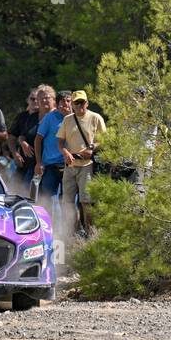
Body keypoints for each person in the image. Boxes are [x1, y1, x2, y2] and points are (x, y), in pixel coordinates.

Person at [57, 90, 107, 236]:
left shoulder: (95, 118)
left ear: (87, 103)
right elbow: (59, 141)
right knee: (68, 202)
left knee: (86, 202)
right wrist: (65, 152)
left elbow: (104, 140)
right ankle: (73, 232)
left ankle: (90, 232)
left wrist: (91, 148)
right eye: (76, 103)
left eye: (82, 102)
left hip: (87, 165)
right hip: (70, 165)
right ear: (71, 104)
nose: (79, 106)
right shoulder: (67, 120)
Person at [32, 87, 70, 210]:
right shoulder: (50, 117)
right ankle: (48, 227)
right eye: (63, 102)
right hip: (50, 166)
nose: (66, 105)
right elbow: (38, 139)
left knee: (68, 200)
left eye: (69, 102)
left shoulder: (75, 118)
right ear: (57, 104)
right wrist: (39, 162)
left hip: (70, 166)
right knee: (47, 200)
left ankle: (68, 228)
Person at [7, 88, 41, 187]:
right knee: (15, 189)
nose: (35, 101)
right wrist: (15, 154)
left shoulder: (44, 117)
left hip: (38, 163)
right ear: (27, 100)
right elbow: (11, 136)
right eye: (32, 98)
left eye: (38, 99)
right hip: (22, 162)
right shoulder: (22, 116)